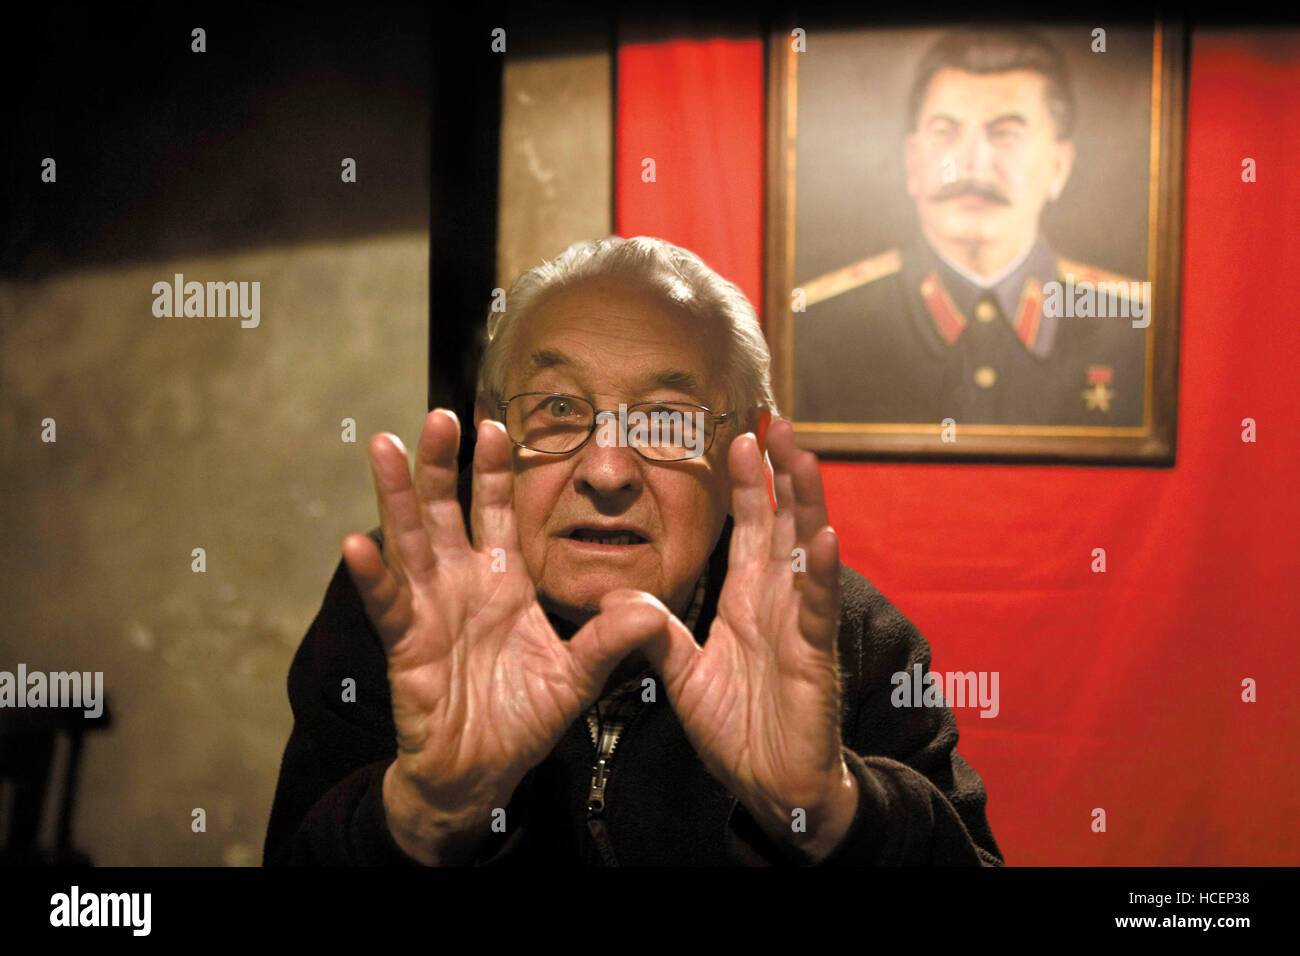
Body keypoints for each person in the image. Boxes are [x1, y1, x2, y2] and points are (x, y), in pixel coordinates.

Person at [264, 236, 1003, 866]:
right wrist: (419, 817)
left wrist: (833, 812)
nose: (608, 471)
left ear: (742, 445)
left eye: (667, 420)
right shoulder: (404, 602)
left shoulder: (839, 632)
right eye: (558, 409)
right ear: (491, 426)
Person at [796, 28, 1146, 426]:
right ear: (912, 163)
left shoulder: (1133, 328)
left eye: (1006, 134)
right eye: (945, 132)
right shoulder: (818, 328)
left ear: (1058, 167)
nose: (972, 163)